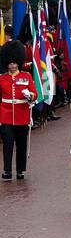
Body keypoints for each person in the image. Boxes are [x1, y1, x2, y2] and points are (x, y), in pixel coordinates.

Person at [0, 40, 36, 180]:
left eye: (14, 62)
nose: (12, 65)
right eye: (10, 63)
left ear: (18, 62)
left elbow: (34, 93)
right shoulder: (2, 78)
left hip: (22, 114)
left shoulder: (26, 76)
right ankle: (7, 170)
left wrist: (30, 96)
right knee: (7, 144)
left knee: (21, 145)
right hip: (6, 115)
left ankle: (20, 170)